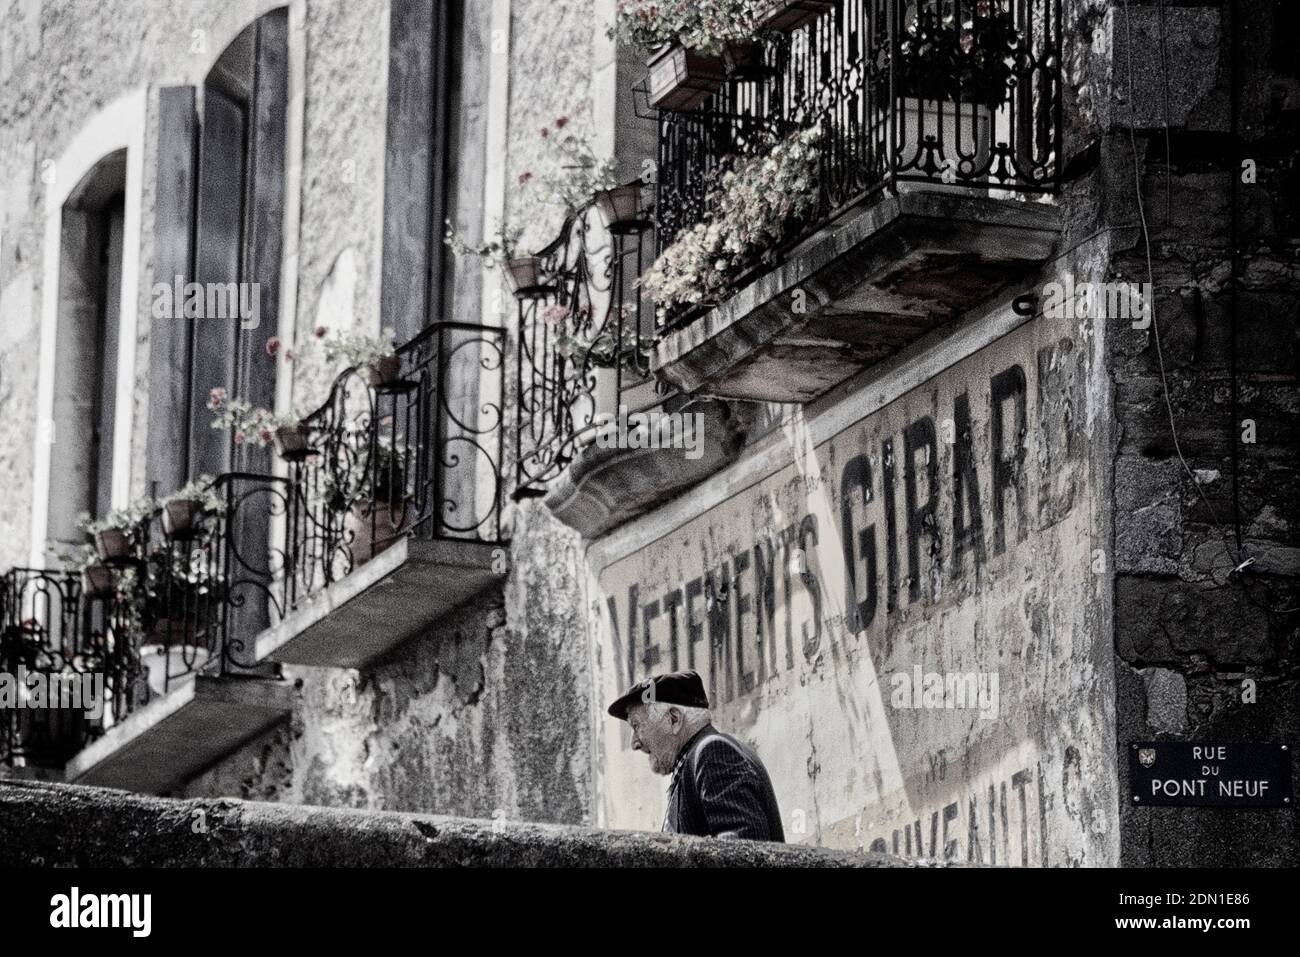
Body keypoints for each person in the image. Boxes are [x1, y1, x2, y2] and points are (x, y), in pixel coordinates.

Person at [607, 669, 784, 842]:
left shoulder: (712, 752)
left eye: (637, 725)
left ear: (674, 719)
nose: (634, 743)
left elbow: (741, 852)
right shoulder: (697, 762)